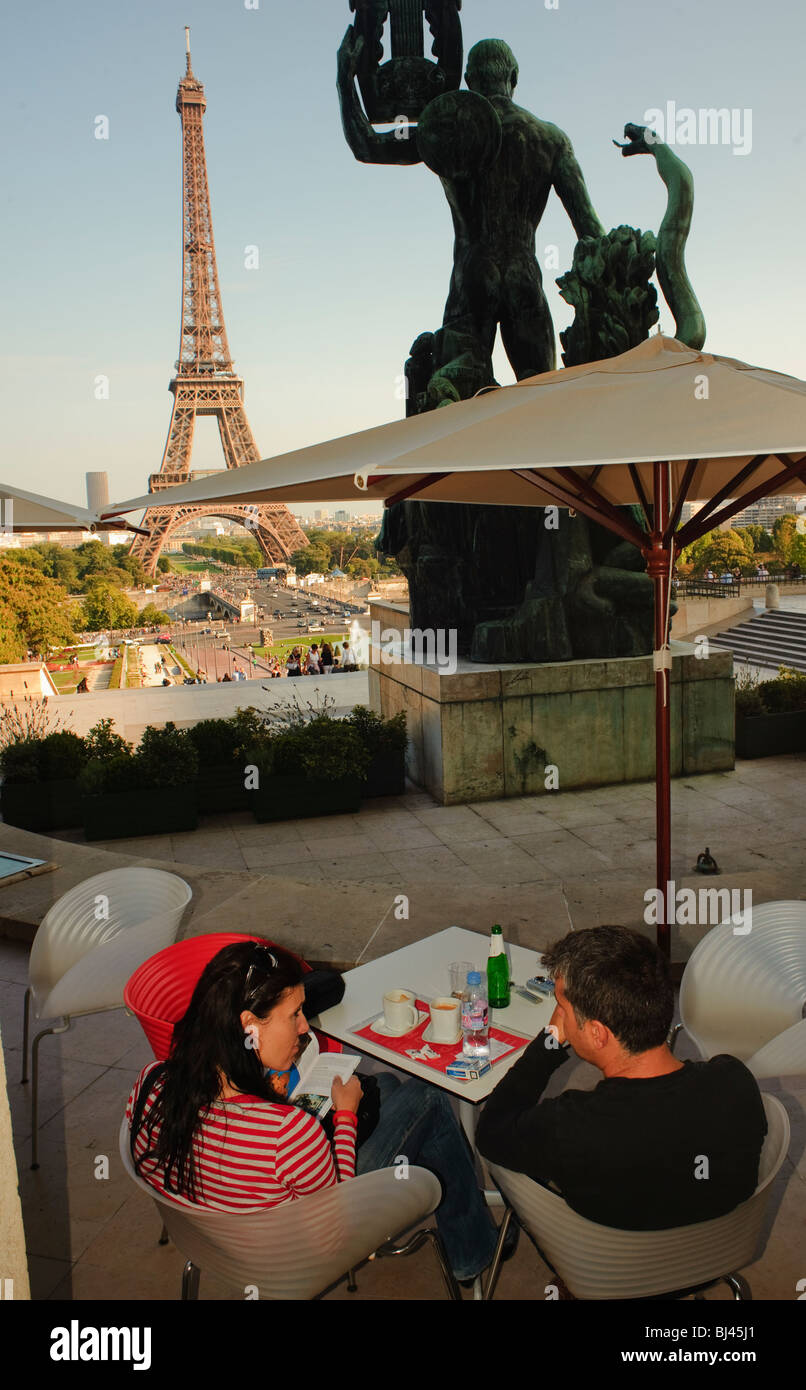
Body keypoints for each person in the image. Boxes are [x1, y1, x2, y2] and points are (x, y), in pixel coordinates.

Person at [127, 942, 499, 1284]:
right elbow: (335, 1228)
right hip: (299, 1254)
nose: (305, 1027)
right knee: (427, 1097)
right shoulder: (288, 1131)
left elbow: (230, 1137)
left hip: (211, 1243)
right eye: (294, 1015)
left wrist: (265, 1097)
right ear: (248, 1026)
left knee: (384, 1087)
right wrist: (345, 1118)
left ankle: (471, 1234)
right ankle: (474, 1251)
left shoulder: (150, 1083)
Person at [476, 925, 767, 1231]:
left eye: (562, 1008)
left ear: (597, 1033)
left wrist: (549, 1042)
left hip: (610, 1270)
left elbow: (492, 1132)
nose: (558, 1017)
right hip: (717, 1250)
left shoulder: (571, 1126)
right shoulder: (735, 1082)